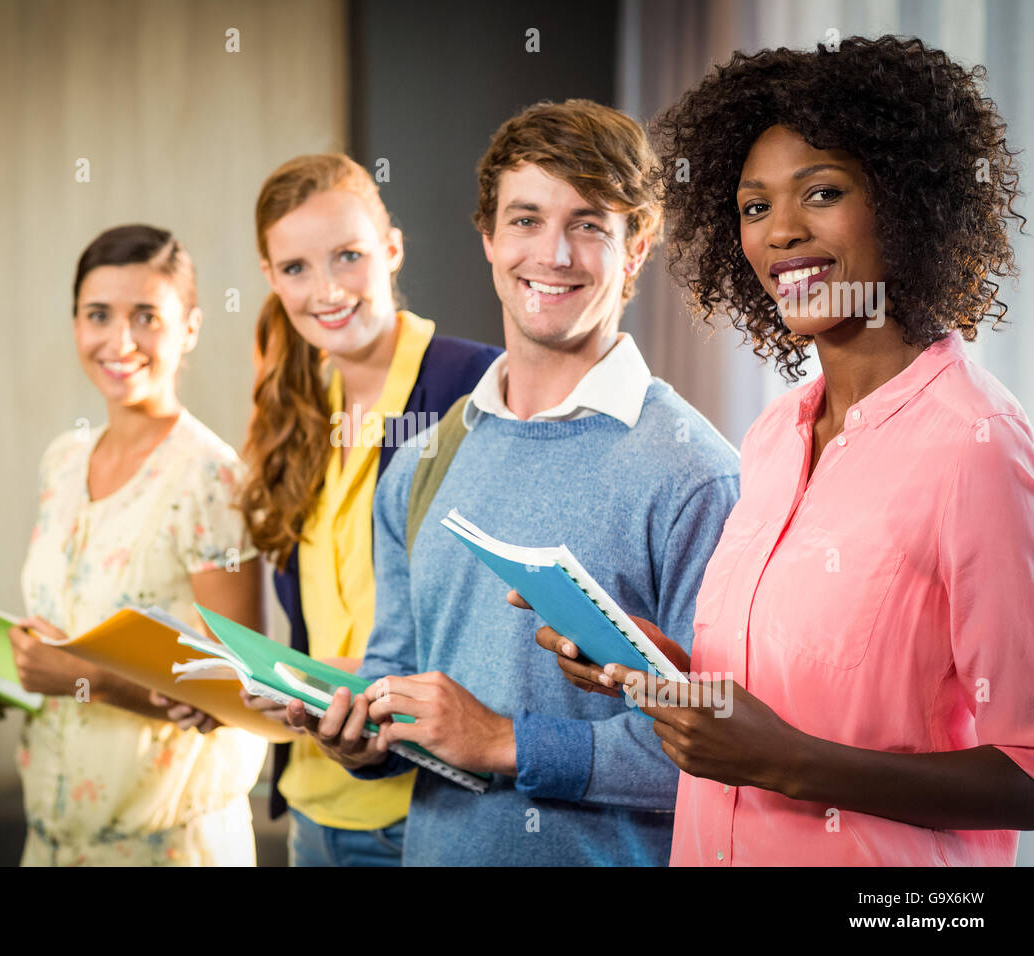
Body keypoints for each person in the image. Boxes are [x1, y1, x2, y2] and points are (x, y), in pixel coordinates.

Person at [534, 36, 1034, 865]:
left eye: (822, 193)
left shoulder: (976, 451)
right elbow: (792, 689)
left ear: (907, 203)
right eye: (754, 207)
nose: (781, 233)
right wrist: (658, 666)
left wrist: (791, 766)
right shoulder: (772, 438)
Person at [286, 102, 741, 865]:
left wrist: (502, 741)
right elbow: (397, 680)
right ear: (490, 239)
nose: (553, 253)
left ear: (637, 249)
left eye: (590, 224)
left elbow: (723, 745)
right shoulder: (426, 460)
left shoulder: (697, 473)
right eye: (526, 220)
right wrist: (362, 738)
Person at [0, 224, 268, 866]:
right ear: (75, 323)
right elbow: (60, 644)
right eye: (98, 315)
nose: (121, 341)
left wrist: (87, 679)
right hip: (54, 845)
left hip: (168, 849)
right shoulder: (62, 461)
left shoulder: (210, 478)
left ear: (190, 327)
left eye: (147, 317)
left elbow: (242, 693)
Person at [236, 153, 500, 866]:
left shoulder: (473, 385)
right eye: (295, 268)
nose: (325, 290)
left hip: (427, 809)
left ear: (391, 249)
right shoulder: (296, 412)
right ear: (269, 277)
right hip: (316, 809)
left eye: (348, 256)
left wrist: (356, 674)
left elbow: (502, 615)